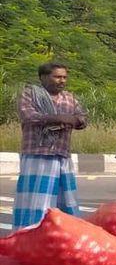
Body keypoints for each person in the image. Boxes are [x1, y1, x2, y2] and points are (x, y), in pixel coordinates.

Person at [14, 62, 88, 229]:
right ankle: (31, 233)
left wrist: (75, 120)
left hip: (61, 154)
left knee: (66, 200)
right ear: (43, 77)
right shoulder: (30, 94)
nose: (62, 81)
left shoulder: (69, 98)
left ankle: (64, 234)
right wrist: (60, 118)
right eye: (57, 77)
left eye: (64, 77)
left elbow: (82, 118)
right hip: (37, 155)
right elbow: (28, 116)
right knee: (35, 202)